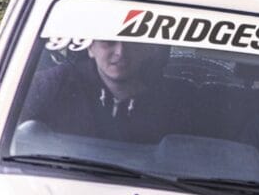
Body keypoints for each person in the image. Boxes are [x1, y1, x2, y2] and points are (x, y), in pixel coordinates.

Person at [29, 39, 186, 143]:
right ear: (90, 47)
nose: (120, 52)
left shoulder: (174, 105)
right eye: (109, 42)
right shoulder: (52, 86)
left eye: (131, 42)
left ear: (147, 49)